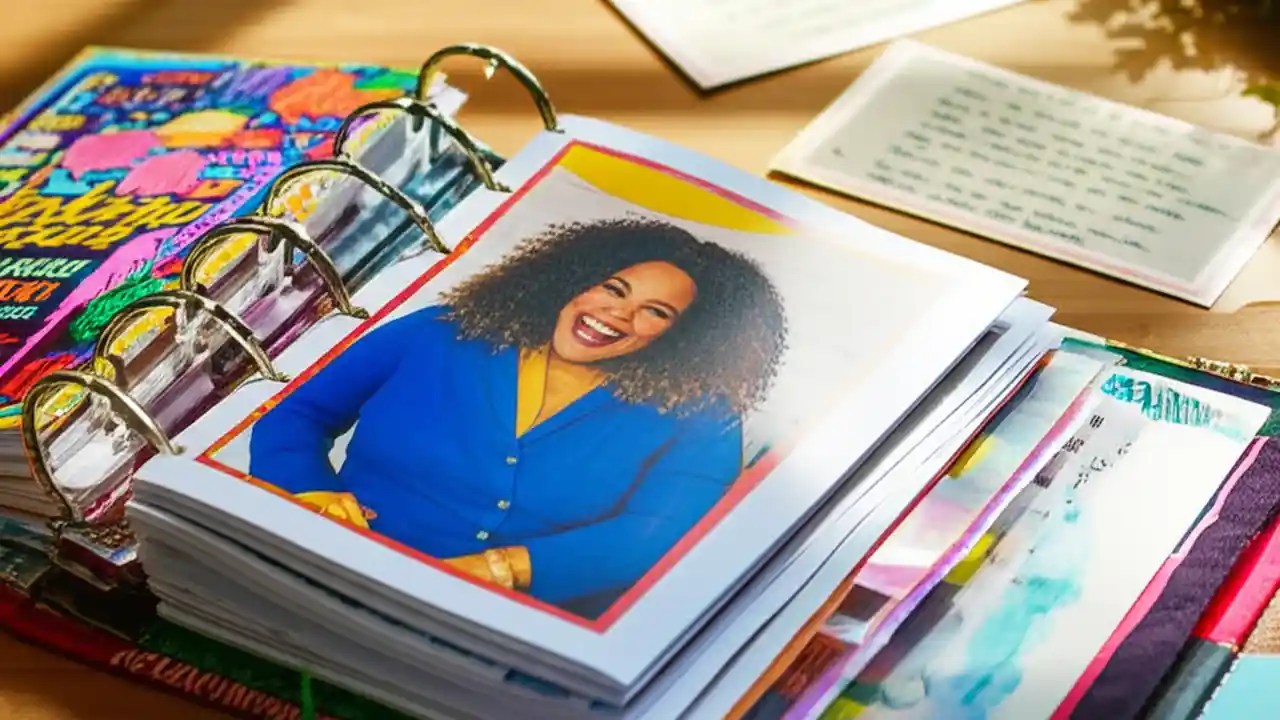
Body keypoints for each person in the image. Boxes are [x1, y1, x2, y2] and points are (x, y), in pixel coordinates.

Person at [248, 216, 787, 614]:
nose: (616, 314)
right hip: (331, 576)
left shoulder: (701, 416)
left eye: (656, 312)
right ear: (571, 280)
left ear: (685, 336)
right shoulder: (439, 332)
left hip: (510, 630)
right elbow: (296, 416)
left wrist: (504, 569)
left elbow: (661, 533)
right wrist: (307, 492)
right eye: (612, 288)